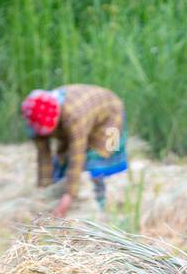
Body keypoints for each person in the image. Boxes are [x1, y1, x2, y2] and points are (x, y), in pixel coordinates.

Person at [20, 84, 127, 216]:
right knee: (62, 161)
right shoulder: (34, 117)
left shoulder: (74, 116)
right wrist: (43, 193)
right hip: (84, 115)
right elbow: (44, 157)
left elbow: (77, 156)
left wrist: (68, 197)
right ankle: (64, 197)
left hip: (110, 114)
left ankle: (98, 207)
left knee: (96, 161)